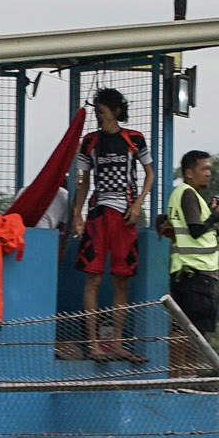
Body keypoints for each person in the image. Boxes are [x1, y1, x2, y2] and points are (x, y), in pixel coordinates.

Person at [67, 87, 153, 361]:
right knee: (92, 279)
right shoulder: (89, 141)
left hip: (125, 215)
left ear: (116, 111)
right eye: (96, 112)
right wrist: (77, 213)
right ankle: (92, 344)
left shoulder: (134, 139)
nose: (98, 117)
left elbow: (150, 174)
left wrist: (138, 204)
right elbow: (84, 182)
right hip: (98, 214)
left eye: (102, 112)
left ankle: (116, 343)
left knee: (121, 281)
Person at [163, 148, 219, 350]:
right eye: (204, 169)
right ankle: (181, 379)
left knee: (190, 333)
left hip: (190, 274)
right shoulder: (187, 193)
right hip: (194, 275)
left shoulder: (185, 194)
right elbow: (196, 230)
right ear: (189, 172)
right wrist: (215, 215)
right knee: (189, 335)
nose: (208, 173)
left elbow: (203, 235)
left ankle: (183, 378)